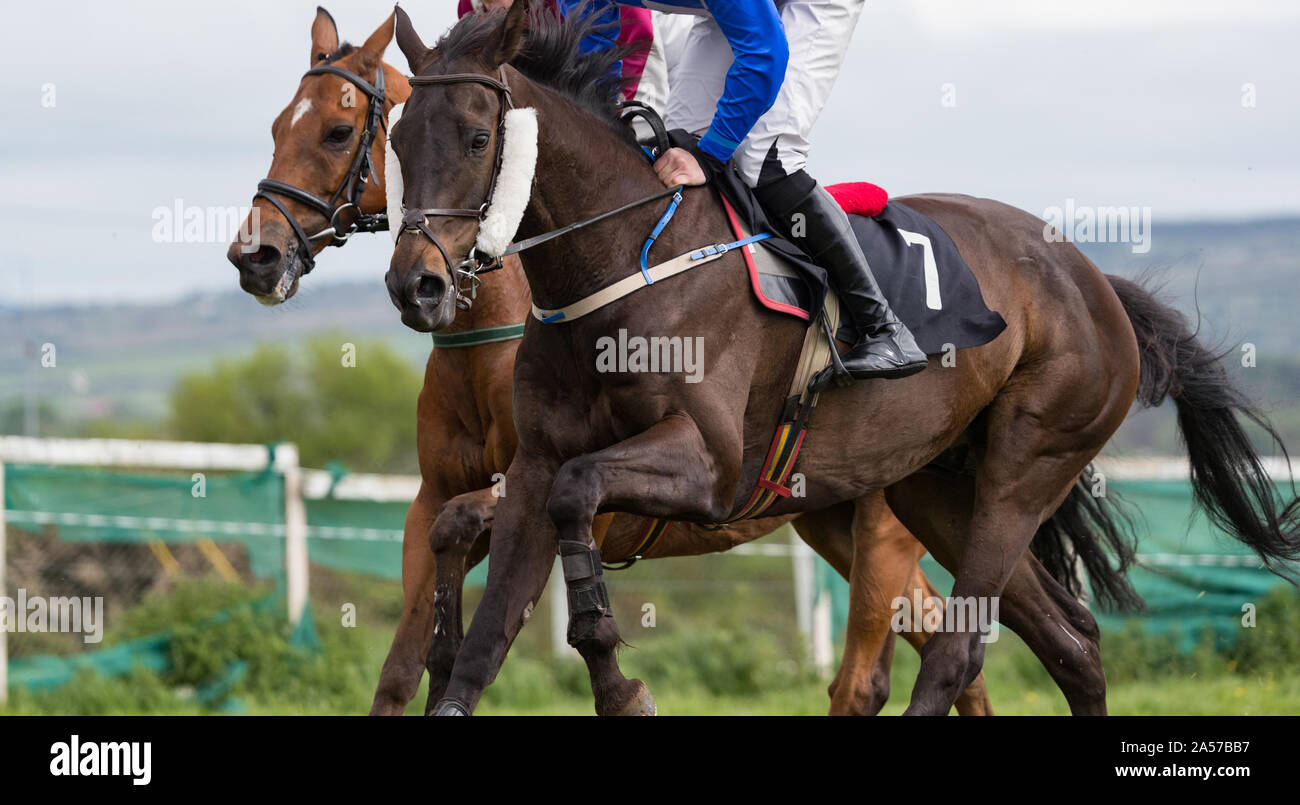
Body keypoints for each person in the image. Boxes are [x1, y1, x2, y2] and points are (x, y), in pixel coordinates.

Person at [560, 0, 927, 381]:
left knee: (766, 158)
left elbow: (766, 54)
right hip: (728, 11)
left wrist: (712, 155)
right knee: (678, 144)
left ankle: (884, 328)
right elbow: (596, 46)